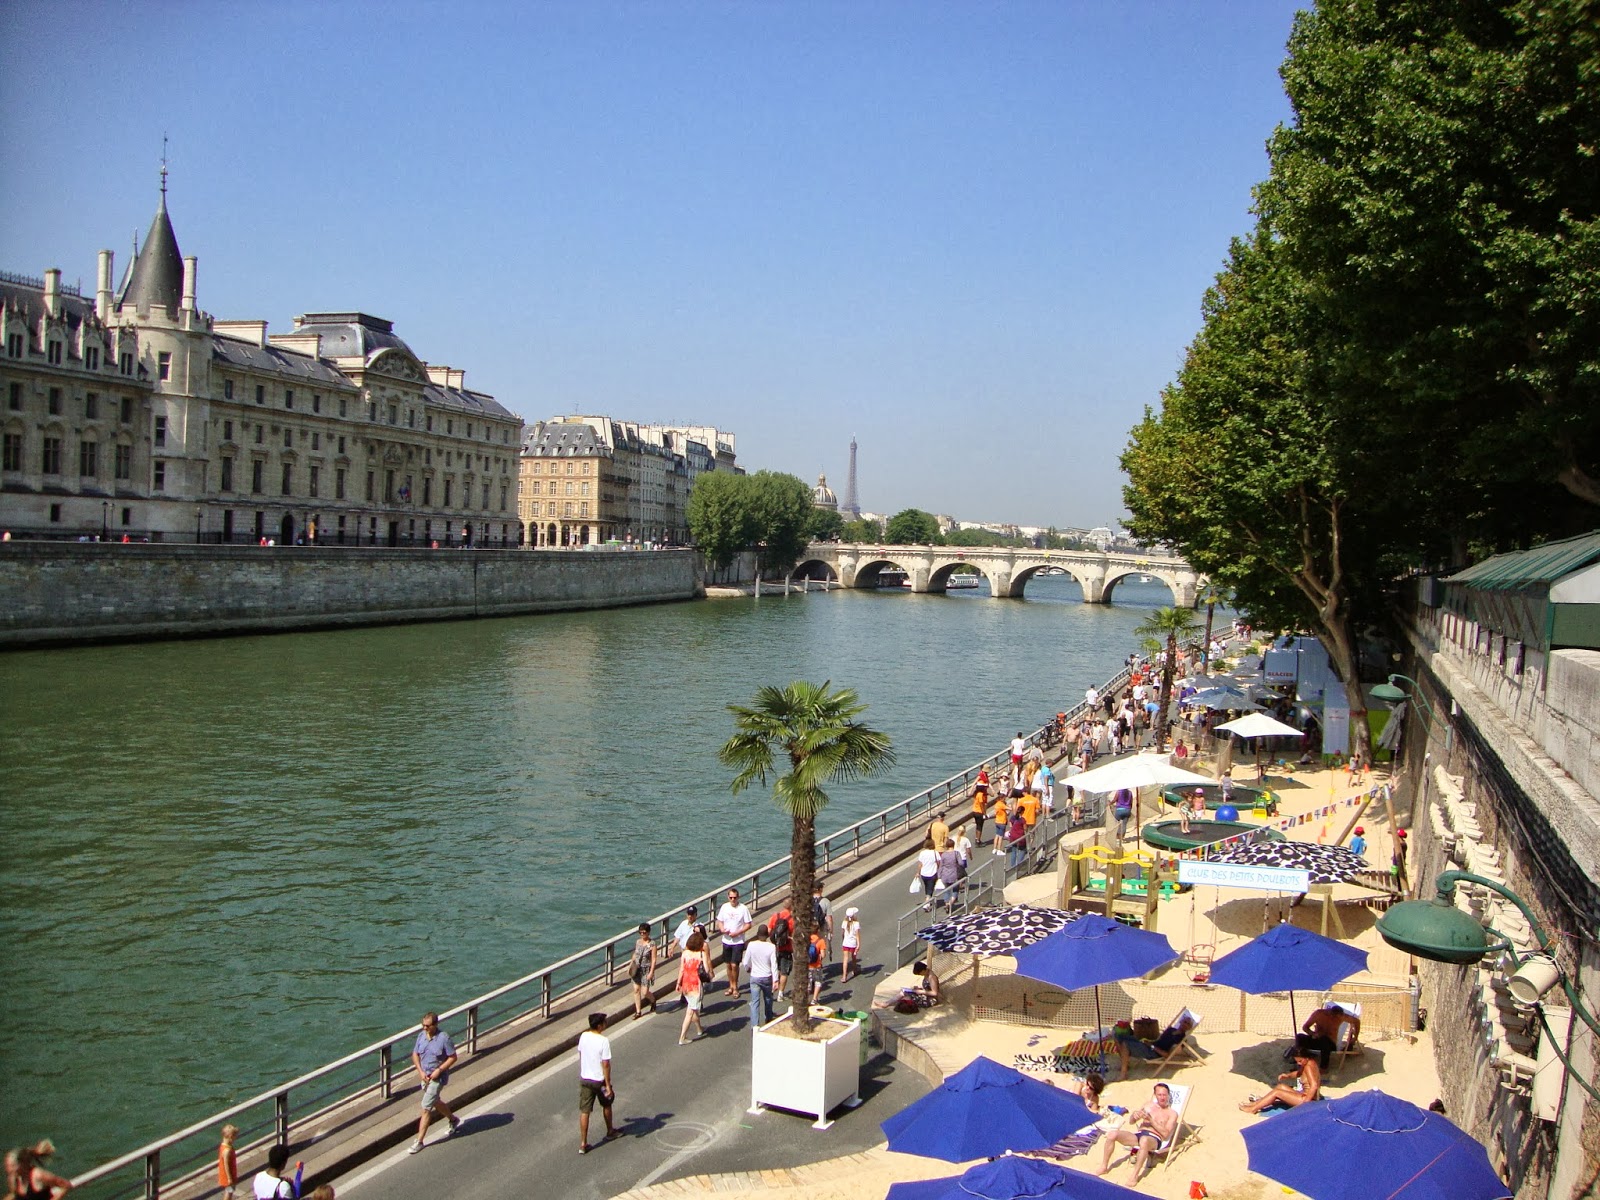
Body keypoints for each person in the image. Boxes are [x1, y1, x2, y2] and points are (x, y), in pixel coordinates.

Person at [1093, 1082, 1179, 1184]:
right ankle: (1104, 1167)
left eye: (1164, 1095)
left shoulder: (1172, 1113)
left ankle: (1134, 1176)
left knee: (1144, 1140)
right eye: (1159, 1095)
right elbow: (1131, 1121)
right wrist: (1135, 1115)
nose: (1162, 1097)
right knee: (1112, 1134)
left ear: (1168, 1095)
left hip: (1155, 1138)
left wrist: (1151, 1120)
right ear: (1155, 1095)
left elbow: (1166, 1134)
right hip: (1139, 1134)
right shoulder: (1148, 1105)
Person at [409, 1011, 462, 1153]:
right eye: (423, 1025)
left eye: (428, 1026)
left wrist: (440, 1069)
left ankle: (419, 1141)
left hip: (437, 1079)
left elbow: (453, 1057)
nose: (425, 1028)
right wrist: (420, 1071)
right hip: (425, 1078)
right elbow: (415, 1054)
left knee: (426, 1108)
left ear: (435, 1024)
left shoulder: (444, 1038)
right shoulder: (421, 1036)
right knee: (435, 1102)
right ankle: (453, 1119)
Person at [577, 1011, 619, 1153]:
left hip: (585, 1078)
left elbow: (581, 1053)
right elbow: (606, 1064)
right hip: (598, 1080)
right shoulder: (603, 1041)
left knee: (585, 1111)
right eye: (604, 1022)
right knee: (607, 1104)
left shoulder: (583, 1036)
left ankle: (583, 1143)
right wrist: (608, 1085)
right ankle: (610, 1131)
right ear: (600, 1025)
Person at [1239, 1049, 1321, 1114]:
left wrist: (1306, 1102)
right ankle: (1256, 1104)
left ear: (1306, 1057)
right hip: (1304, 1095)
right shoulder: (1309, 1062)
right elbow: (1299, 1073)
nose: (1299, 1064)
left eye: (1300, 1061)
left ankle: (1253, 1109)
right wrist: (1287, 1075)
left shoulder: (1308, 1067)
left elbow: (1314, 1085)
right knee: (1280, 1087)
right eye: (1297, 1061)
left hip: (1309, 1100)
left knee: (1277, 1093)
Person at [716, 887, 752, 997]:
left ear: (738, 897)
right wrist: (722, 929)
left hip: (738, 941)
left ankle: (735, 986)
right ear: (728, 897)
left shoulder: (743, 908)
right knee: (728, 965)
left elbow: (748, 924)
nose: (733, 900)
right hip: (726, 940)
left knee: (735, 965)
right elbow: (720, 921)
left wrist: (738, 932)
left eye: (734, 898)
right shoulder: (724, 907)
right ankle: (731, 985)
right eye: (731, 897)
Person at [1301, 1004, 1360, 1068]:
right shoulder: (1319, 1014)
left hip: (1330, 1044)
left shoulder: (1341, 1016)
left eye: (1338, 1017)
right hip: (1317, 1040)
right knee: (1299, 1037)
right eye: (1335, 1017)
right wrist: (1313, 1034)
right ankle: (1301, 1061)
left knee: (1324, 1040)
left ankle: (1323, 1068)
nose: (1336, 1019)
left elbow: (1357, 1021)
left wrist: (1355, 1037)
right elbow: (1305, 1027)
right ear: (1330, 1013)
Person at [744, 924, 778, 1028]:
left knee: (755, 1002)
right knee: (768, 999)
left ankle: (755, 1025)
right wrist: (775, 980)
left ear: (758, 935)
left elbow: (745, 962)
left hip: (755, 977)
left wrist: (748, 969)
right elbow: (774, 965)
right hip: (767, 977)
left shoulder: (751, 945)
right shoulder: (771, 947)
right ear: (767, 935)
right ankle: (768, 1019)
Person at [629, 923, 658, 1018]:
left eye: (644, 932)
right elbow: (635, 955)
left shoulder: (652, 944)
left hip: (646, 969)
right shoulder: (638, 942)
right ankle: (638, 1011)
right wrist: (630, 966)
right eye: (640, 932)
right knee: (636, 990)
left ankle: (653, 1000)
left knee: (645, 992)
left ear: (648, 932)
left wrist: (651, 972)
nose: (642, 934)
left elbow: (653, 959)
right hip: (637, 969)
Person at [768, 905, 795, 993]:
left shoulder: (775, 916)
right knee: (784, 972)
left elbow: (769, 931)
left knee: (775, 968)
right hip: (786, 949)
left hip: (775, 947)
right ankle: (780, 993)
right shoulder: (792, 920)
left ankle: (772, 988)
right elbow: (794, 935)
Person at [916, 834, 940, 910]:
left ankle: (928, 901)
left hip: (924, 874)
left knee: (927, 887)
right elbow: (939, 863)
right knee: (930, 888)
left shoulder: (922, 853)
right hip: (932, 873)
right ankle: (926, 904)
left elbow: (920, 864)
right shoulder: (935, 853)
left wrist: (918, 872)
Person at [840, 906, 862, 983]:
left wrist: (843, 939)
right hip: (853, 944)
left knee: (845, 959)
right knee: (853, 957)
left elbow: (842, 933)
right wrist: (858, 944)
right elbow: (857, 935)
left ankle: (844, 976)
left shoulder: (844, 922)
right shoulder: (856, 924)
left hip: (845, 943)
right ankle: (855, 970)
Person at [218, 1125, 240, 1200]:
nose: (235, 1138)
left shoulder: (223, 1146)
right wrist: (229, 1178)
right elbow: (226, 1165)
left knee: (229, 1190)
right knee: (229, 1191)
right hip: (229, 1175)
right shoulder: (227, 1150)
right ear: (231, 1136)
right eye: (235, 1136)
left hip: (227, 1174)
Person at [971, 769, 991, 842]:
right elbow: (982, 804)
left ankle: (977, 838)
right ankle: (978, 840)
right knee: (980, 827)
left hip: (974, 811)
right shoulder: (981, 795)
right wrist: (984, 814)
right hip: (979, 812)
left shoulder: (976, 793)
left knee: (977, 826)